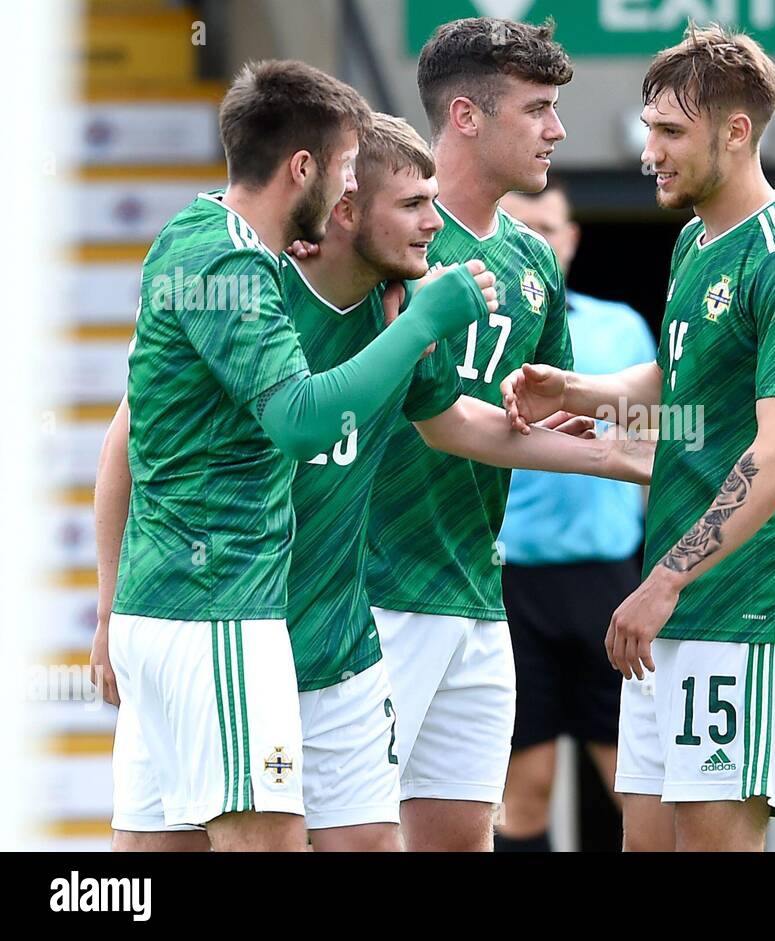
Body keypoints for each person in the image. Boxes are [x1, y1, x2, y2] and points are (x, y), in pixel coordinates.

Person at [91, 61, 494, 852]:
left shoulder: (193, 233)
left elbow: (136, 439)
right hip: (219, 610)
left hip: (173, 608)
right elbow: (303, 422)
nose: (348, 189)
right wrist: (423, 323)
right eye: (345, 167)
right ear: (303, 167)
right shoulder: (233, 265)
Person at [500, 25, 775, 852]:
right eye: (649, 128)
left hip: (752, 601)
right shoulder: (696, 241)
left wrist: (663, 577)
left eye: (669, 132)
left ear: (736, 131)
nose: (648, 150)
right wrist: (583, 389)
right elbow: (677, 378)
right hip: (682, 607)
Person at [363, 17, 577, 852]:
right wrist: (639, 456)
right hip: (369, 591)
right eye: (537, 109)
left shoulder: (534, 260)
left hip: (478, 595)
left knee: (461, 840)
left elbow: (554, 412)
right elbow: (441, 420)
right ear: (465, 116)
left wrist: (674, 428)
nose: (556, 130)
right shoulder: (382, 235)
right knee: (336, 833)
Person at [494, 182, 658, 852]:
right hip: (510, 583)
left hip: (606, 580)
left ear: (573, 238)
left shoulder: (621, 325)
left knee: (634, 778)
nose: (540, 240)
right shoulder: (484, 325)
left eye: (550, 226)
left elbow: (665, 434)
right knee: (521, 791)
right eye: (524, 227)